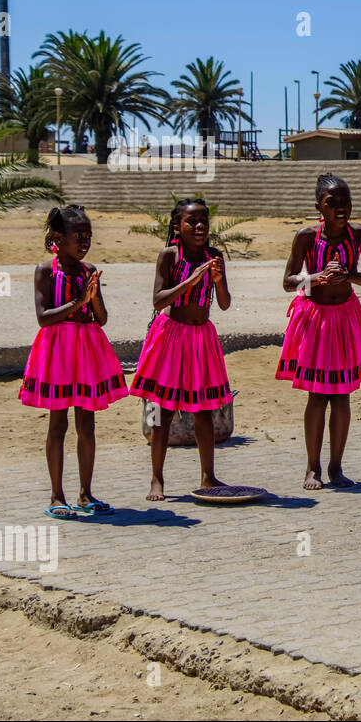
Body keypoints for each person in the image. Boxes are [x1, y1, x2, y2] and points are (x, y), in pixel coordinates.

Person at [277, 175, 361, 489]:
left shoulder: (359, 235)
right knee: (317, 394)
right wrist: (319, 278)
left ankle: (336, 467)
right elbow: (288, 281)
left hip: (346, 317)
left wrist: (349, 276)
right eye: (331, 202)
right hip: (315, 319)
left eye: (344, 201)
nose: (340, 208)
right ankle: (313, 468)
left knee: (342, 394)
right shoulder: (307, 236)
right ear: (318, 207)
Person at [20, 205, 127, 518]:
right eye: (79, 236)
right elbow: (43, 318)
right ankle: (57, 494)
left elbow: (102, 318)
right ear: (58, 237)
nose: (85, 241)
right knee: (58, 423)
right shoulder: (46, 271)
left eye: (88, 236)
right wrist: (77, 302)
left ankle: (85, 493)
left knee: (87, 423)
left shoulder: (88, 271)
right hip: (56, 352)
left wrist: (91, 300)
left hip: (87, 349)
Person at [128, 198, 234, 501]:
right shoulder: (169, 256)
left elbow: (224, 303)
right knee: (161, 411)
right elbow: (159, 301)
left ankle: (207, 476)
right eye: (192, 221)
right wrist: (190, 280)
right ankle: (157, 479)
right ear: (177, 227)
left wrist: (217, 281)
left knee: (203, 411)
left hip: (202, 338)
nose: (200, 226)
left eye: (204, 220)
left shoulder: (214, 256)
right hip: (171, 337)